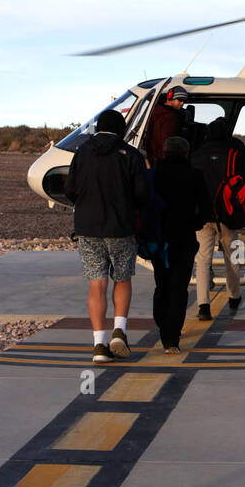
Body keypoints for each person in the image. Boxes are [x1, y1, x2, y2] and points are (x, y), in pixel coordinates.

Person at [63, 108, 148, 364]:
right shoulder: (131, 155)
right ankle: (119, 330)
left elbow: (70, 191)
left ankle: (99, 345)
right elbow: (142, 194)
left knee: (96, 283)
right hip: (121, 227)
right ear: (120, 129)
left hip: (88, 228)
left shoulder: (81, 153)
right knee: (122, 279)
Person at [189, 117, 245, 319]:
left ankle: (203, 305)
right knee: (233, 255)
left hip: (203, 215)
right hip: (228, 214)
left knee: (202, 259)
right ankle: (234, 296)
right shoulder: (235, 153)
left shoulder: (197, 155)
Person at [150, 136, 209, 353]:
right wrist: (193, 223)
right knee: (179, 288)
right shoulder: (194, 175)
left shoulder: (155, 174)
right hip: (184, 237)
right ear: (186, 153)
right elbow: (205, 209)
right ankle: (171, 339)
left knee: (162, 284)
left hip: (159, 238)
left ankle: (161, 321)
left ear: (164, 152)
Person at [145, 85, 195, 165]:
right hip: (165, 161)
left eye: (184, 101)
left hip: (155, 159)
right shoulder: (170, 117)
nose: (182, 103)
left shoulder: (155, 112)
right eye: (180, 100)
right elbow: (169, 144)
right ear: (170, 97)